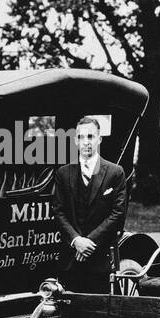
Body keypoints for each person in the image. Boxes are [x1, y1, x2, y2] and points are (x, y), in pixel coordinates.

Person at [52, 116, 128, 294]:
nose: (86, 142)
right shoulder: (63, 174)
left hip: (102, 259)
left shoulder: (115, 173)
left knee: (104, 314)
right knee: (71, 315)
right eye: (81, 137)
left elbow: (118, 214)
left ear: (99, 139)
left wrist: (89, 243)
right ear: (75, 140)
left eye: (91, 137)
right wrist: (76, 241)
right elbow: (58, 211)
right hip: (71, 259)